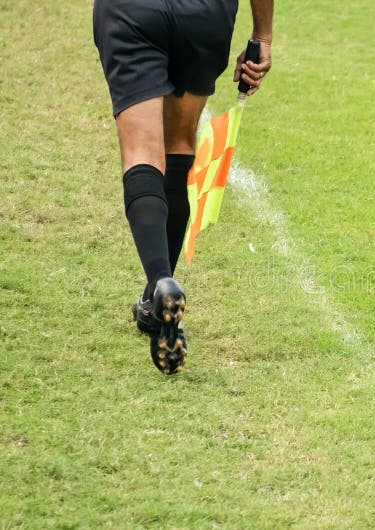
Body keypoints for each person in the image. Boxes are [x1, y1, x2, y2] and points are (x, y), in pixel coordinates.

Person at [93, 0, 274, 374]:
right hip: (204, 14)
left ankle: (161, 282)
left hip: (133, 12)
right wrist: (262, 36)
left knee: (142, 151)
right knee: (178, 143)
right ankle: (154, 299)